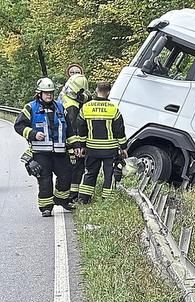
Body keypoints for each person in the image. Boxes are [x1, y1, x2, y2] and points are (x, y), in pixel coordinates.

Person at [14, 78, 76, 217]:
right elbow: (19, 126)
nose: (49, 95)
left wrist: (74, 146)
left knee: (66, 176)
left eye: (51, 93)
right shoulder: (31, 108)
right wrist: (33, 134)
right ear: (39, 94)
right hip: (41, 153)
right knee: (45, 181)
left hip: (60, 152)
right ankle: (46, 207)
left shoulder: (60, 107)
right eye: (46, 93)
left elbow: (69, 129)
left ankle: (61, 199)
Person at [75, 81, 127, 203]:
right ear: (108, 92)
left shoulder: (86, 108)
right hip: (110, 150)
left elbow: (81, 129)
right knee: (109, 175)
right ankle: (107, 200)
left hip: (92, 149)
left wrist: (82, 145)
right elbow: (119, 130)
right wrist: (123, 147)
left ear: (96, 90)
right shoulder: (113, 109)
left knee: (90, 173)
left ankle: (83, 199)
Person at [60, 74, 90, 200]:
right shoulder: (72, 107)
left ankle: (69, 195)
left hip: (64, 141)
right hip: (73, 143)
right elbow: (73, 127)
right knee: (77, 168)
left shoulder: (64, 98)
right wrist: (77, 145)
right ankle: (73, 196)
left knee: (71, 168)